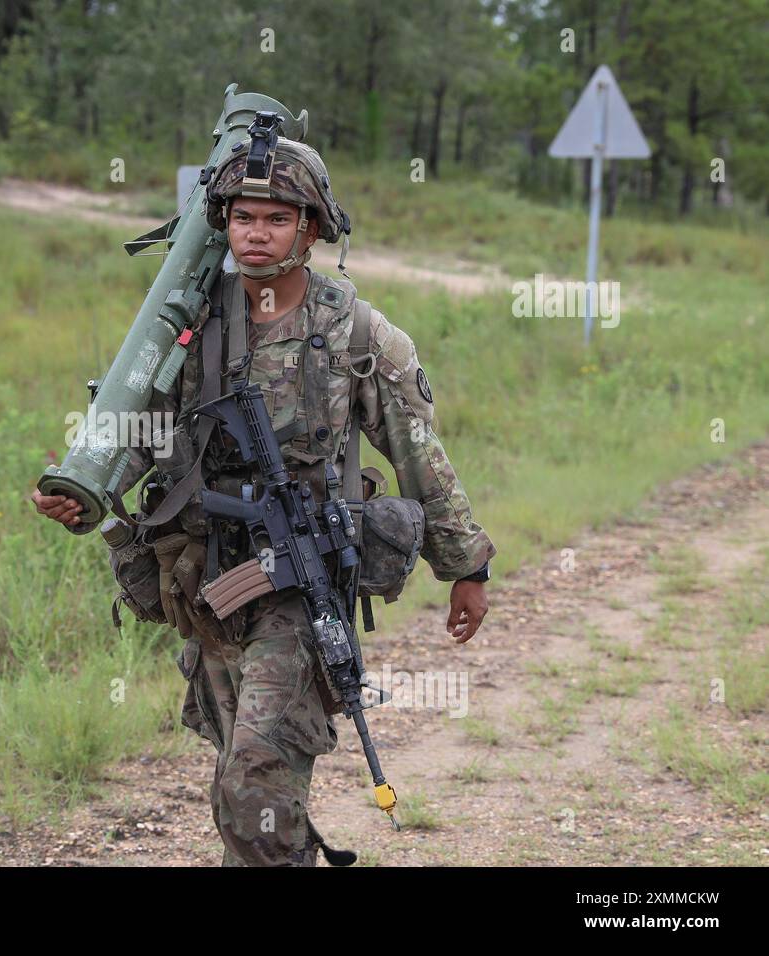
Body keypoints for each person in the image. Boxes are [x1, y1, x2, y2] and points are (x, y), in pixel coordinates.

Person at [31, 136, 496, 866]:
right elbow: (136, 432)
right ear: (223, 223)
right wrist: (84, 496)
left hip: (300, 583)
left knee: (255, 772)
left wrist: (465, 565)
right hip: (206, 577)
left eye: (276, 218)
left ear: (311, 228)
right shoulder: (184, 325)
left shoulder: (357, 333)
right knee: (240, 778)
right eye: (243, 217)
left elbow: (418, 454)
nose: (255, 232)